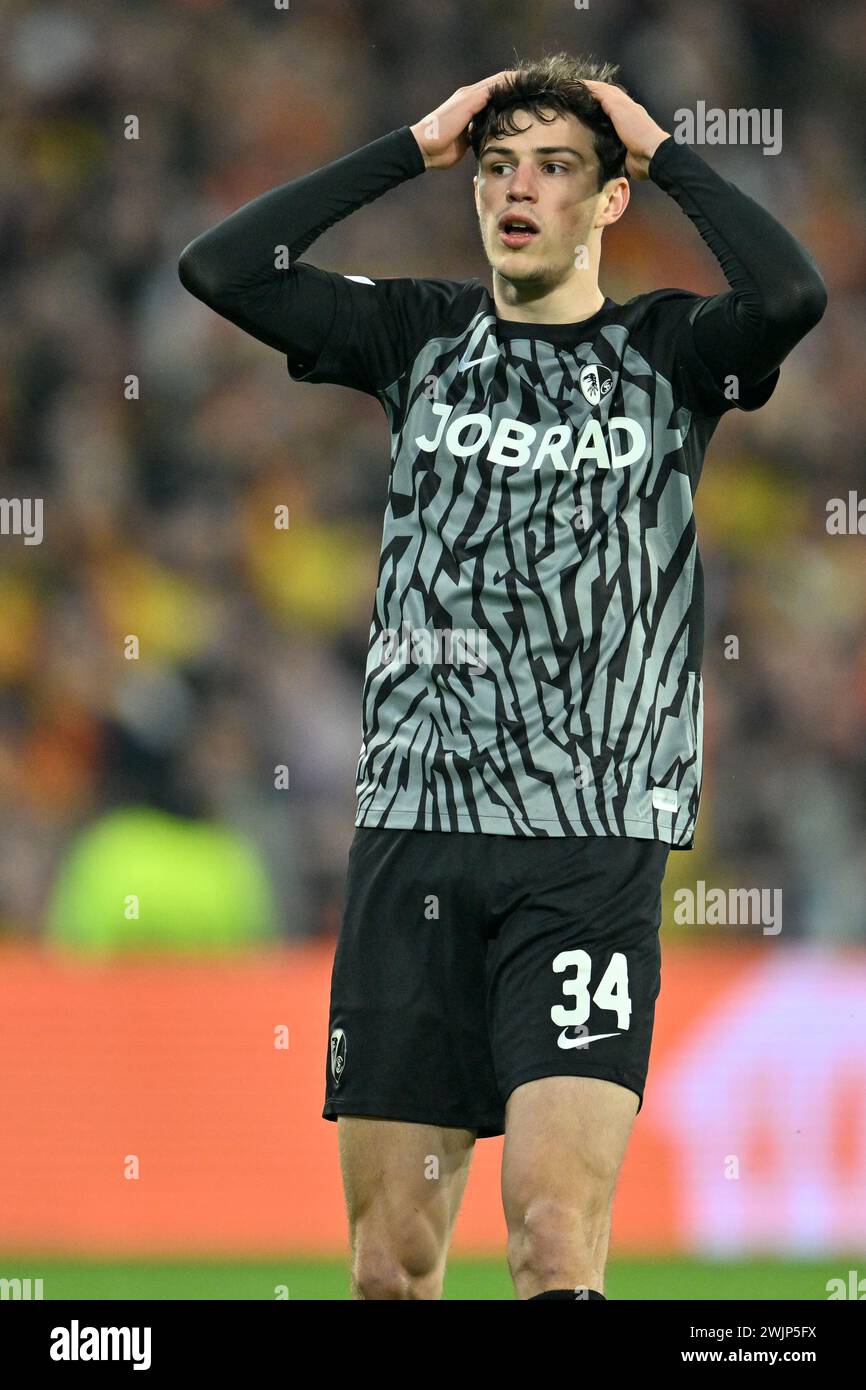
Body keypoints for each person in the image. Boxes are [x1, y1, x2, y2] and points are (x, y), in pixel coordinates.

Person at [178, 53, 827, 1300]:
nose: (515, 192)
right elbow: (221, 269)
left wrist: (661, 150)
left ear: (605, 201)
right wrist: (406, 148)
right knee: (389, 1265)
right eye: (494, 168)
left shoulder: (669, 353)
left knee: (551, 1243)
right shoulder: (416, 334)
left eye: (554, 168)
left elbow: (789, 293)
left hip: (585, 848)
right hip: (412, 833)